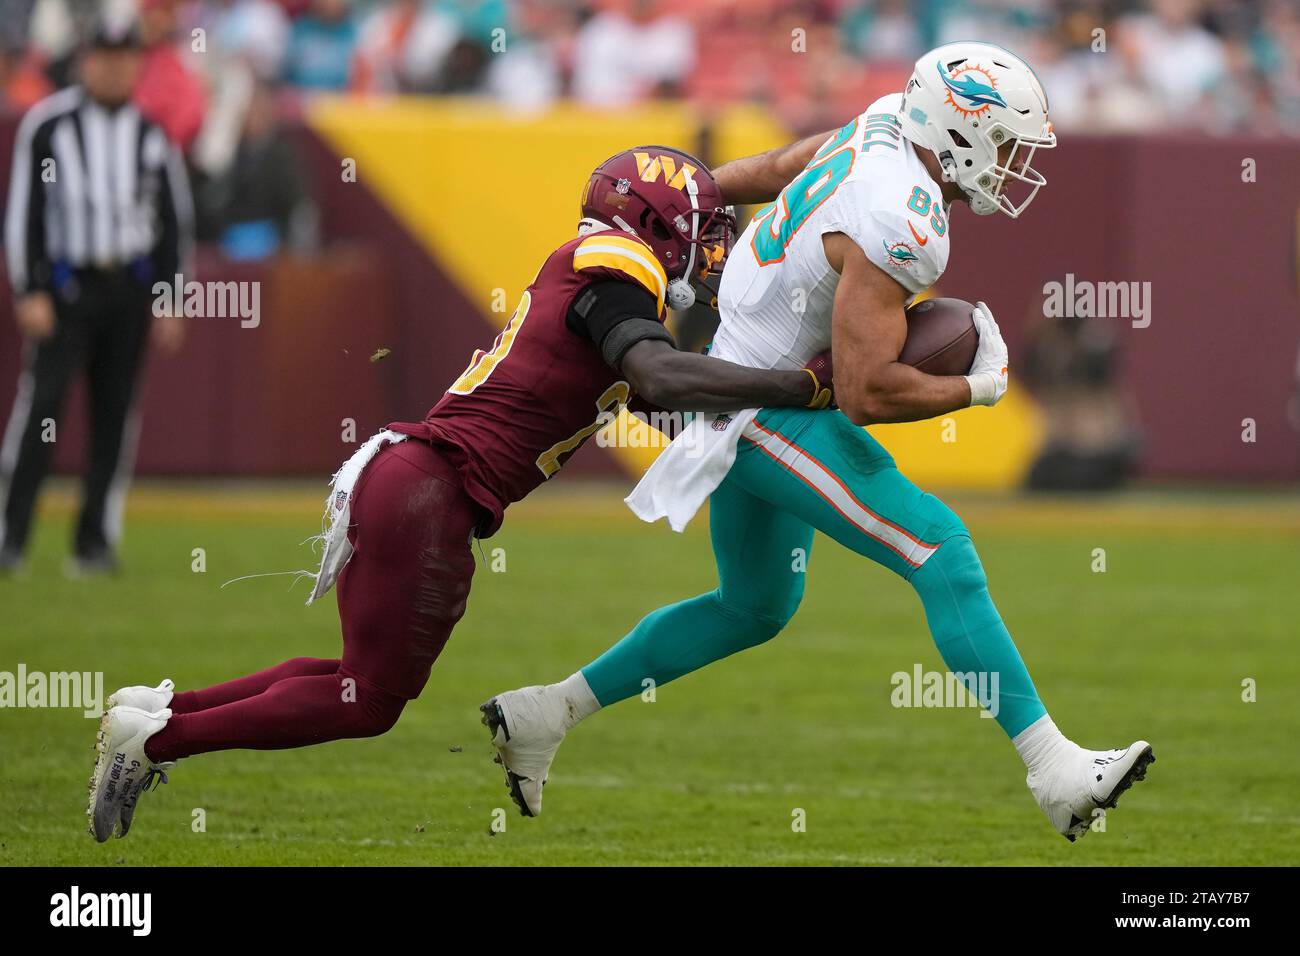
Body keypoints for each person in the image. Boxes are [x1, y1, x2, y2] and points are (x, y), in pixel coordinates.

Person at [482, 42, 1155, 843]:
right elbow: (866, 393)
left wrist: (685, 199)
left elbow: (777, 164)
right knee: (940, 549)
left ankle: (545, 713)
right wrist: (979, 386)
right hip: (765, 405)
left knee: (754, 606)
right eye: (1004, 144)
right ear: (960, 132)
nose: (1010, 165)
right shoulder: (903, 218)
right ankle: (1056, 770)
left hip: (742, 372)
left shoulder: (882, 124)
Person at [85, 145, 836, 843]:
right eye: (701, 229)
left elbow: (673, 405)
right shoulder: (615, 266)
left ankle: (163, 716)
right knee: (368, 702)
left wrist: (781, 397)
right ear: (649, 221)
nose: (712, 249)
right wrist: (803, 386)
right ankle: (160, 740)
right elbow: (664, 377)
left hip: (413, 480)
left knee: (354, 678)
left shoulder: (606, 290)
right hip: (429, 492)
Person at [0, 17, 191, 577]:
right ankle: (10, 536)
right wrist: (29, 288)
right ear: (84, 61)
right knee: (41, 410)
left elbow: (173, 222)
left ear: (137, 62)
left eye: (125, 56)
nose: (114, 66)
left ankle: (94, 542)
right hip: (67, 287)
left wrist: (171, 296)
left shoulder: (152, 134)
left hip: (128, 289)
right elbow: (23, 214)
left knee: (115, 417)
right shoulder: (49, 125)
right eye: (104, 56)